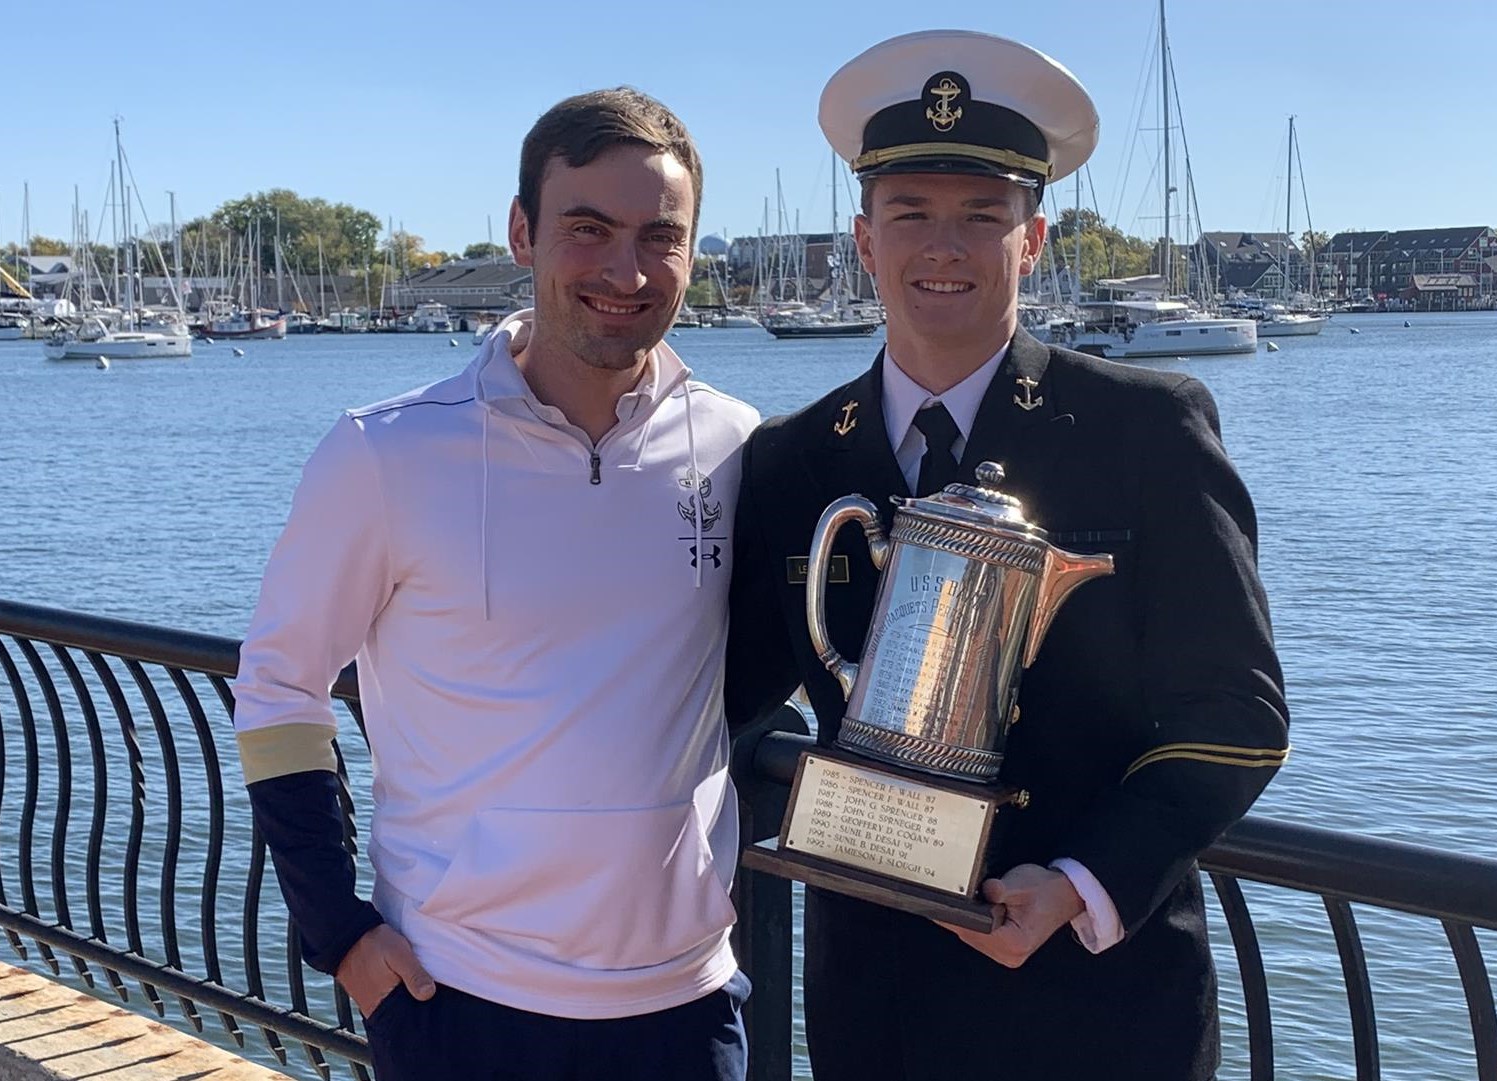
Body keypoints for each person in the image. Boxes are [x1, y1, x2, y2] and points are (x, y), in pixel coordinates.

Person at [724, 31, 1290, 1080]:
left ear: (1034, 240)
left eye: (983, 216)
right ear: (863, 239)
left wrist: (1082, 881)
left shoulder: (1146, 428)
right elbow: (724, 693)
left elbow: (1237, 712)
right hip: (873, 1009)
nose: (945, 247)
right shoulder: (790, 462)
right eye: (912, 215)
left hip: (1101, 1008)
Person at [233, 88, 758, 1081]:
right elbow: (278, 687)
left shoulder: (734, 445)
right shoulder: (385, 451)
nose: (626, 269)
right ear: (522, 232)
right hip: (459, 1001)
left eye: (662, 236)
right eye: (588, 229)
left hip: (686, 1008)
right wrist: (339, 932)